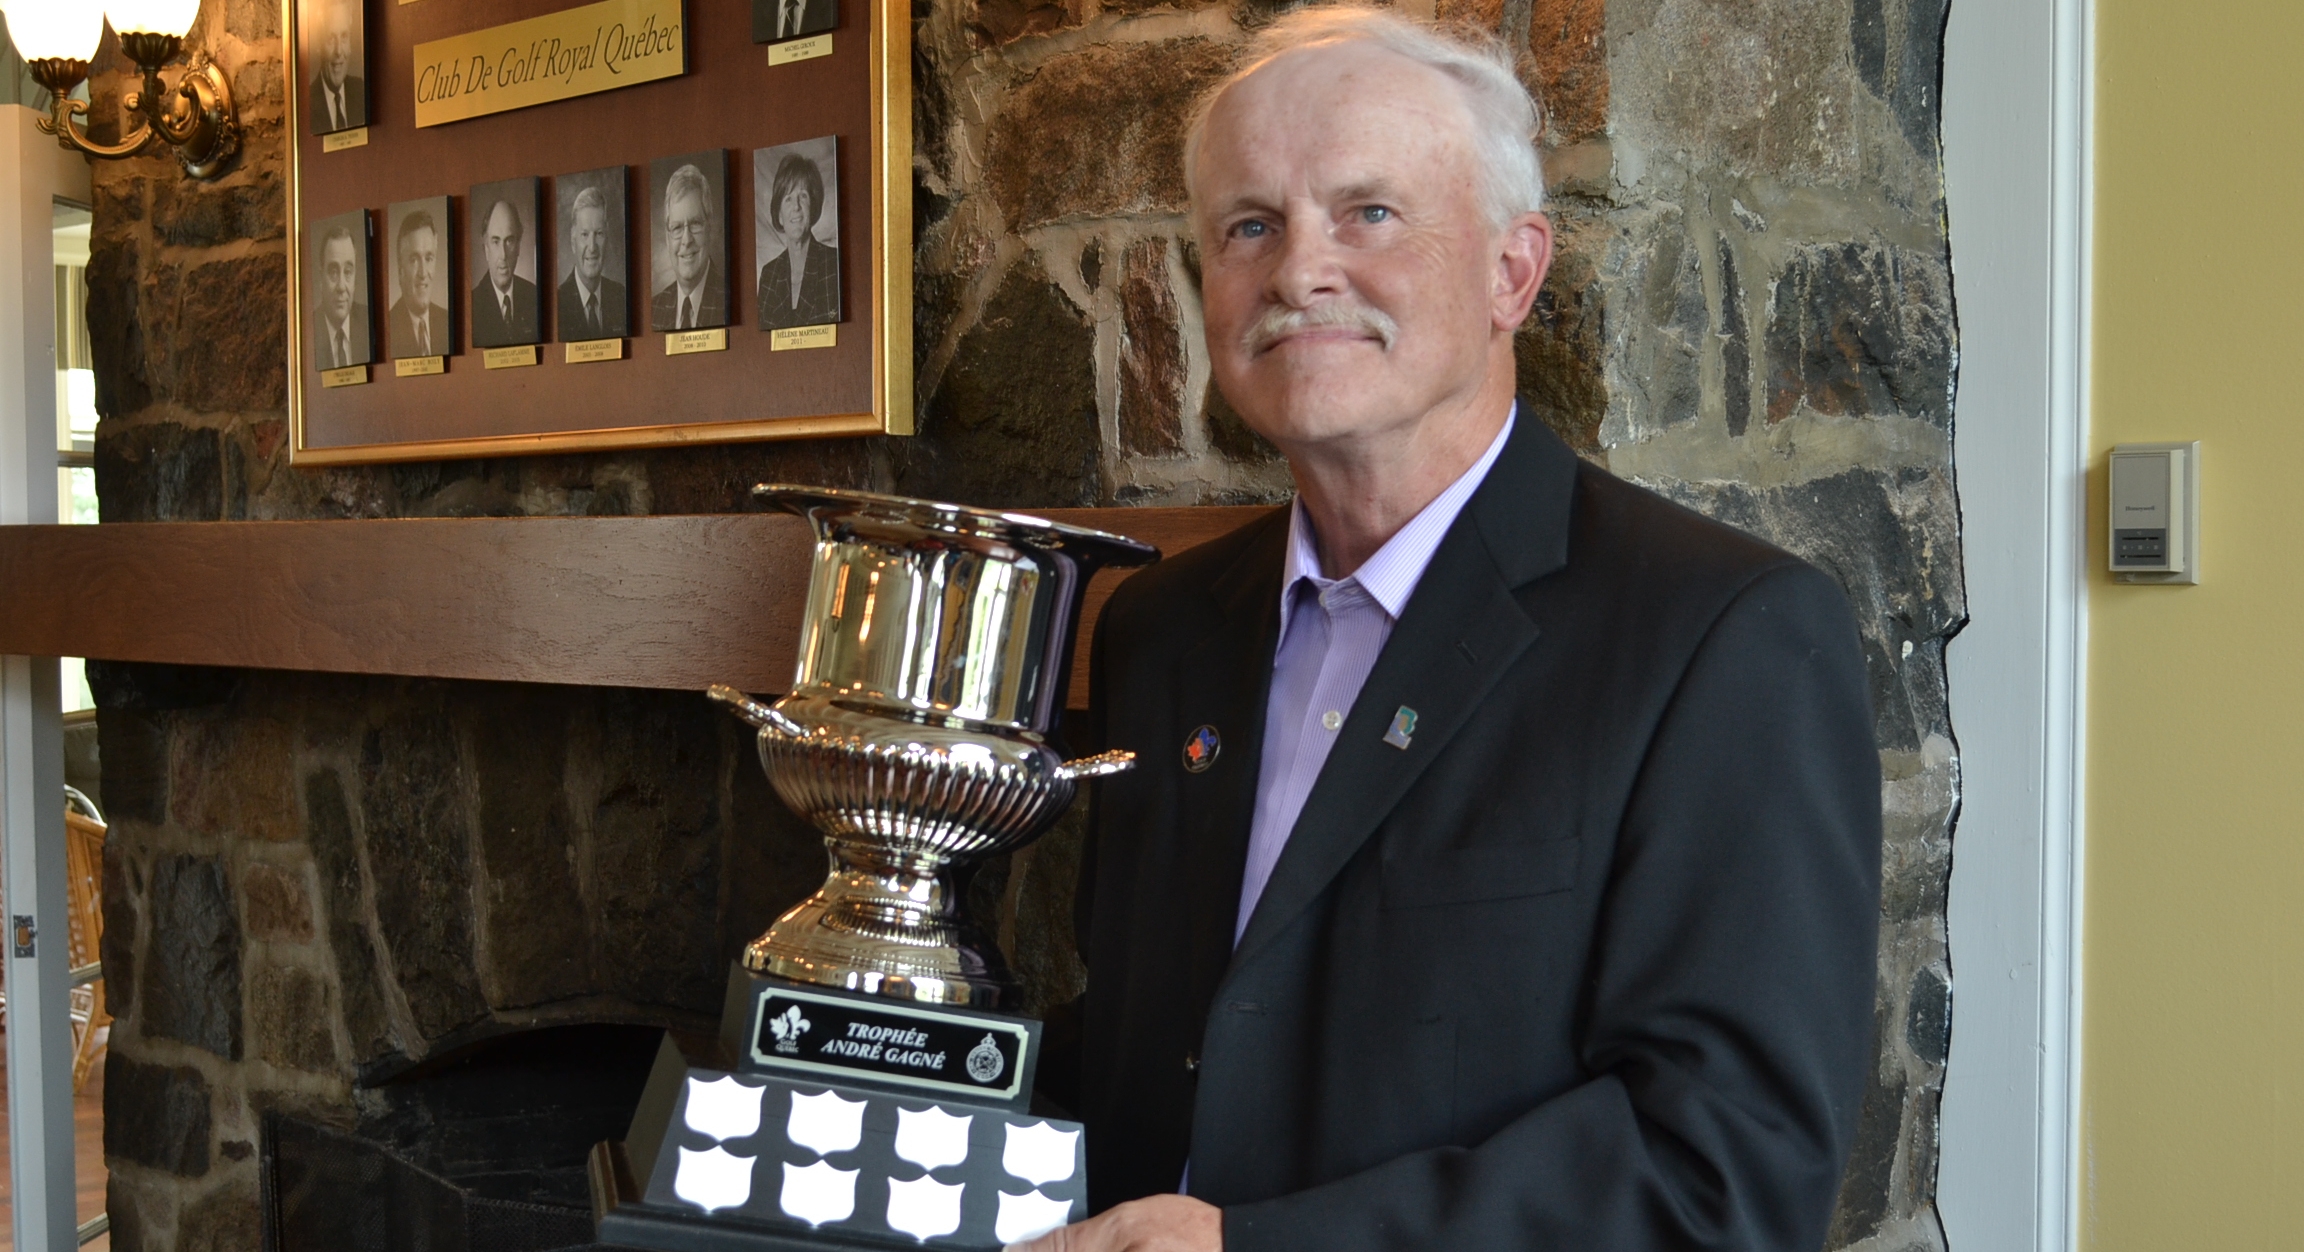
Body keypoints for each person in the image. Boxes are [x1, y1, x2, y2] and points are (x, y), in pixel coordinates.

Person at [1027, 7, 1882, 1251]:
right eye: (1248, 226)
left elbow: (1726, 1174)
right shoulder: (1158, 631)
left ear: (1512, 273)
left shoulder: (1725, 638)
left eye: (1368, 213)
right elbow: (1157, 1048)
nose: (1298, 272)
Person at [756, 152, 840, 330]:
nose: (796, 207)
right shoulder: (769, 276)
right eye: (788, 199)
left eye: (803, 196)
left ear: (813, 205)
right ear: (779, 214)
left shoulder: (834, 264)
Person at [650, 164, 725, 331]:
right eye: (677, 228)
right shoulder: (654, 310)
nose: (686, 239)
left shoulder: (729, 301)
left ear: (710, 227)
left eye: (695, 224)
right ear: (667, 237)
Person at [558, 185, 628, 340]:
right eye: (584, 235)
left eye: (599, 234)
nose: (592, 247)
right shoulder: (558, 303)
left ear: (607, 238)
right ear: (572, 241)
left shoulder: (621, 297)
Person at [469, 196, 541, 347]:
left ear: (519, 246)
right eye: (495, 242)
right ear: (486, 249)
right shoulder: (473, 304)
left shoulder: (533, 296)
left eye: (509, 241)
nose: (503, 254)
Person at [388, 208, 450, 360]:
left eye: (429, 258)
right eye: (414, 260)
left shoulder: (447, 321)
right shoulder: (389, 326)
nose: (423, 273)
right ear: (400, 269)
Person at [313, 222, 369, 370]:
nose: (342, 287)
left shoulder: (367, 321)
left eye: (348, 272)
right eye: (333, 272)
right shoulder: (310, 331)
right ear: (321, 278)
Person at [308, 0, 365, 134]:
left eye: (344, 37)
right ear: (318, 45)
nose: (339, 51)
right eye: (331, 39)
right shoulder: (308, 104)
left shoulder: (361, 92)